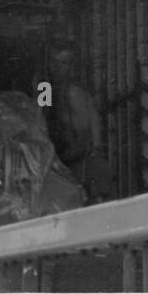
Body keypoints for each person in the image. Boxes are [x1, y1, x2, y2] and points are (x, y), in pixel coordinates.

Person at [41, 46, 112, 202]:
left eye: (64, 63)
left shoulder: (73, 93)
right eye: (55, 62)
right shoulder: (46, 88)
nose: (58, 68)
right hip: (62, 160)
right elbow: (42, 118)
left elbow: (91, 125)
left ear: (71, 67)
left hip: (80, 161)